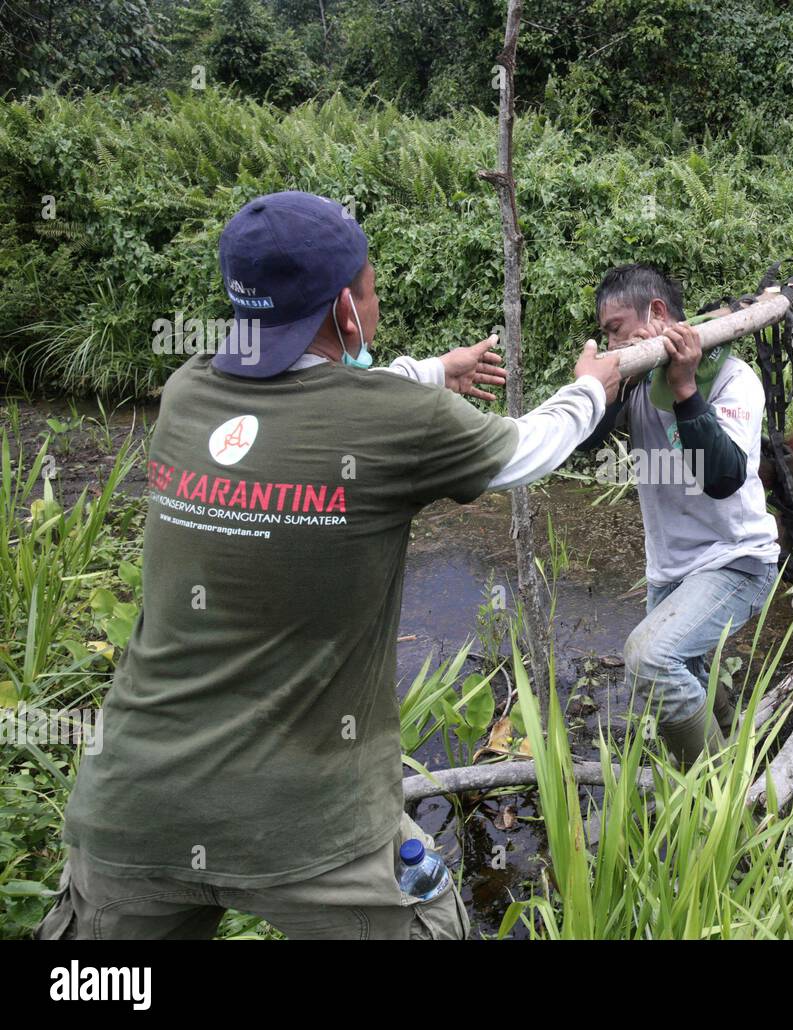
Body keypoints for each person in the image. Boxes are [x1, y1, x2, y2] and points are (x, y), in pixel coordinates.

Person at [39, 190, 622, 940]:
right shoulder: (395, 422)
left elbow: (314, 400)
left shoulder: (186, 396)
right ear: (348, 312)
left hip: (133, 809)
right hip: (310, 829)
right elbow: (527, 448)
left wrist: (430, 373)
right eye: (372, 290)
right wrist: (590, 391)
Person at [577, 264, 780, 765]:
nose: (611, 342)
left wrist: (686, 389)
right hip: (671, 570)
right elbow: (585, 446)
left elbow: (723, 478)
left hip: (737, 561)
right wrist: (597, 391)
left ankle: (716, 793)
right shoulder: (640, 385)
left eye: (615, 329)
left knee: (650, 660)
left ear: (658, 314)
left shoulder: (734, 379)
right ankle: (733, 741)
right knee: (686, 665)